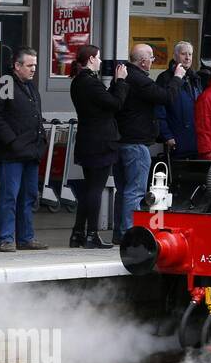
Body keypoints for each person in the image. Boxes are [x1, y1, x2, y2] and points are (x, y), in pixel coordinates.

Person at [112, 43, 184, 245]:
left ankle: (119, 232)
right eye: (151, 58)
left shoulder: (125, 76)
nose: (152, 61)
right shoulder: (139, 79)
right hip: (136, 144)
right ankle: (130, 234)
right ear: (143, 61)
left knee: (123, 190)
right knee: (134, 191)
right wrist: (177, 77)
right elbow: (166, 97)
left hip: (121, 142)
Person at [0, 48, 48, 252]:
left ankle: (25, 237)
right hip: (13, 153)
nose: (33, 69)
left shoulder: (29, 86)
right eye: (30, 65)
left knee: (28, 196)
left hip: (30, 151)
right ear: (17, 66)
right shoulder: (7, 82)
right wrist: (12, 140)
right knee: (9, 196)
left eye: (35, 65)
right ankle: (6, 238)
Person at [69, 44, 128, 248]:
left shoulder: (78, 82)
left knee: (88, 188)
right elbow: (116, 104)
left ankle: (78, 233)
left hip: (87, 141)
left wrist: (113, 84)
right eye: (99, 58)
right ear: (92, 59)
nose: (102, 62)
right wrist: (120, 82)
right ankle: (92, 234)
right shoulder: (90, 83)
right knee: (95, 188)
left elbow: (105, 102)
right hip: (101, 142)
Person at [155, 40, 202, 160]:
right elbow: (159, 110)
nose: (187, 58)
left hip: (196, 138)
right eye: (183, 54)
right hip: (176, 138)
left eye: (190, 54)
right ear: (175, 56)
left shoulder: (195, 78)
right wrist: (167, 135)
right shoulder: (165, 78)